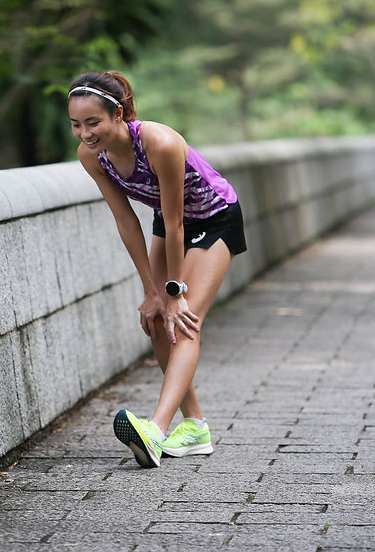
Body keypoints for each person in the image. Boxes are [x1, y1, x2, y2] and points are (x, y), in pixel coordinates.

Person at [66, 70, 247, 468]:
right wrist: (152, 291)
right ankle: (195, 426)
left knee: (184, 318)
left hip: (214, 218)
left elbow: (178, 221)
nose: (85, 134)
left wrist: (175, 292)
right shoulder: (91, 156)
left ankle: (156, 429)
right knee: (155, 319)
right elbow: (126, 221)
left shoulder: (159, 142)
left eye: (93, 122)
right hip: (167, 223)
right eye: (76, 124)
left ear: (118, 114)